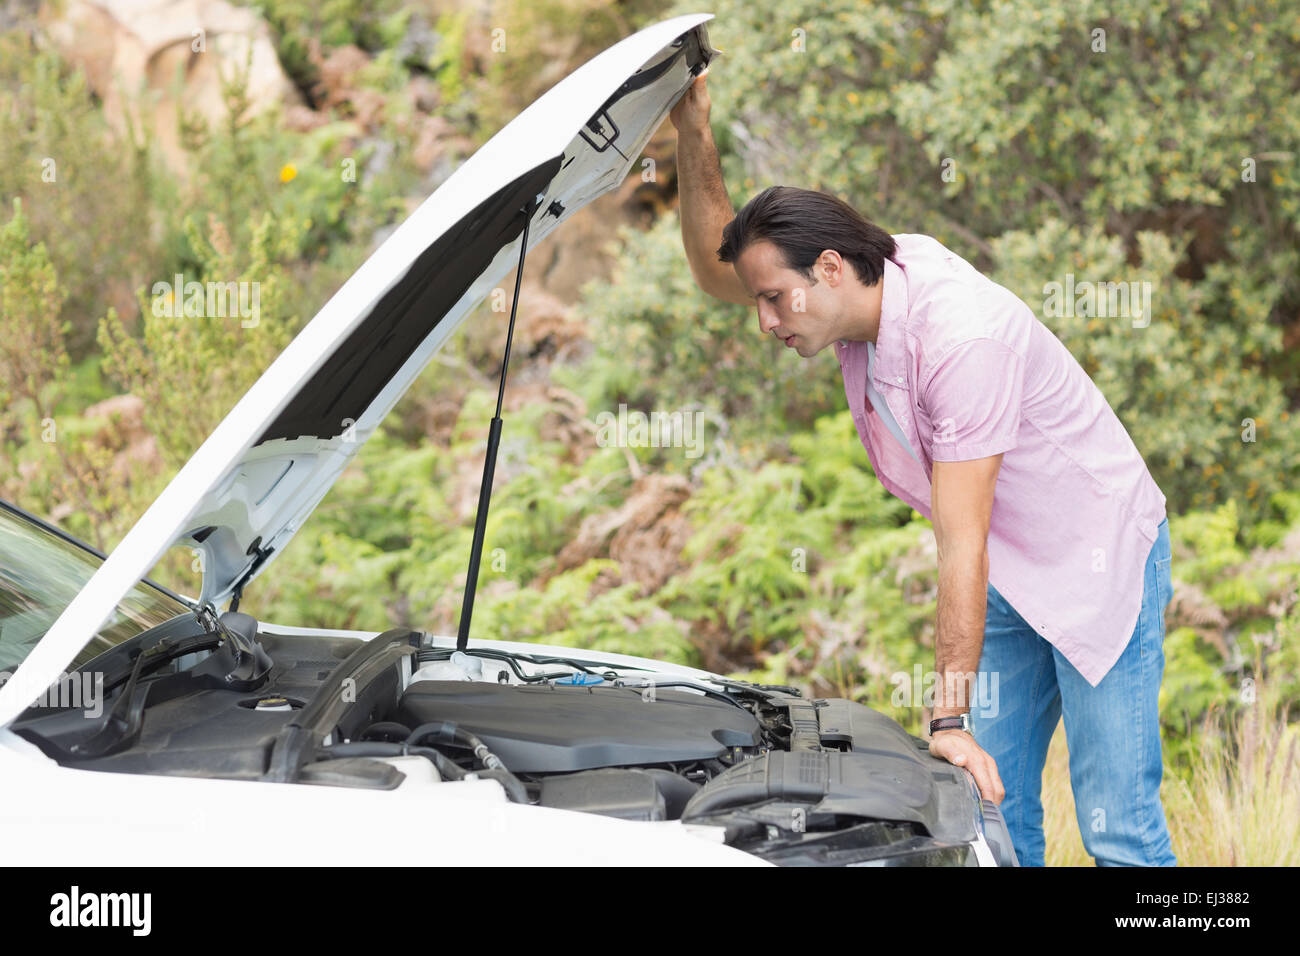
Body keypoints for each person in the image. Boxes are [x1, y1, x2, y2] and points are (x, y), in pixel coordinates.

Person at [670, 70, 1177, 867]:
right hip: (1008, 572)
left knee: (1117, 828)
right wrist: (693, 131)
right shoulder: (855, 289)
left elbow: (961, 540)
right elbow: (713, 266)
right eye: (760, 301)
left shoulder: (961, 342)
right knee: (985, 809)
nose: (765, 322)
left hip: (1096, 561)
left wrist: (946, 718)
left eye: (775, 300)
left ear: (829, 268)